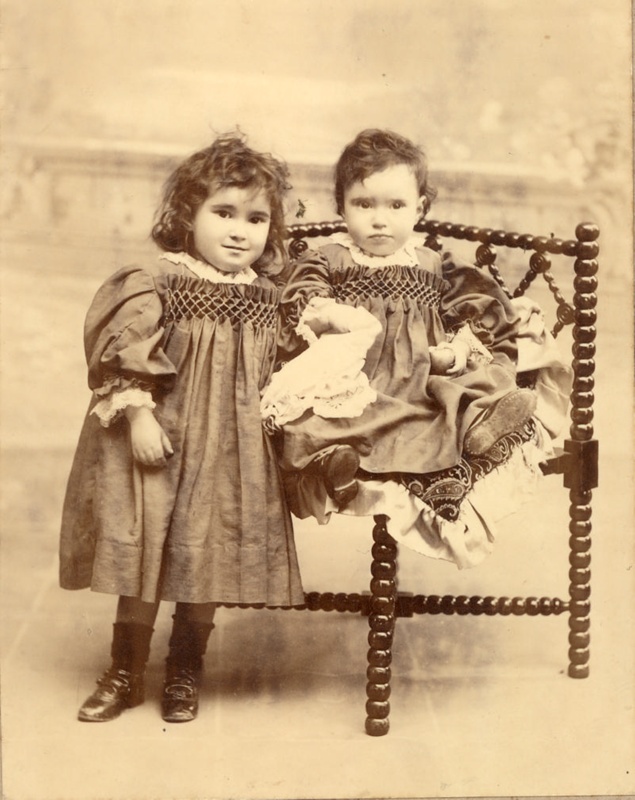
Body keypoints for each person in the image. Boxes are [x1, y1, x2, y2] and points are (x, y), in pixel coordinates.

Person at [59, 133, 304, 724]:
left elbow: (292, 363)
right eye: (223, 213)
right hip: (160, 437)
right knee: (146, 549)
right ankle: (125, 672)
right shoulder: (157, 280)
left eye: (256, 218)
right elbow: (124, 352)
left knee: (210, 550)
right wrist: (138, 414)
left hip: (234, 447)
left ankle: (184, 671)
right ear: (186, 215)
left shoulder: (270, 297)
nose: (240, 231)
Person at [264, 128, 536, 519]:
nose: (379, 221)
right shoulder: (331, 259)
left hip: (418, 382)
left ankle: (476, 434)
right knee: (307, 424)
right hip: (353, 385)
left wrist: (457, 350)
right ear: (341, 207)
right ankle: (333, 464)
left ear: (419, 209)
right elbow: (302, 297)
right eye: (363, 204)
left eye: (395, 206)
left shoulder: (431, 264)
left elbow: (478, 308)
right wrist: (330, 313)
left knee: (459, 397)